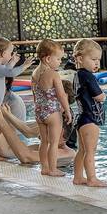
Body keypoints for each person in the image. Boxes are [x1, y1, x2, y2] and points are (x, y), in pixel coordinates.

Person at [31, 39, 74, 177]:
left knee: (44, 141)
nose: (60, 62)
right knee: (54, 142)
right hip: (52, 112)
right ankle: (53, 169)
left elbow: (34, 93)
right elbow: (61, 95)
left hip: (39, 111)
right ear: (48, 58)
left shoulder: (34, 73)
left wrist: (38, 107)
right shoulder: (53, 74)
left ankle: (44, 168)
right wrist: (67, 110)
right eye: (58, 59)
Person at [73, 39, 107, 187]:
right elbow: (99, 96)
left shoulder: (78, 75)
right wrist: (104, 96)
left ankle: (78, 177)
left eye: (98, 60)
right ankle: (92, 178)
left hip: (81, 119)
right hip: (90, 120)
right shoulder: (87, 76)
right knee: (90, 151)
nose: (97, 63)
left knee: (82, 150)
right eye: (93, 59)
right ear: (80, 58)